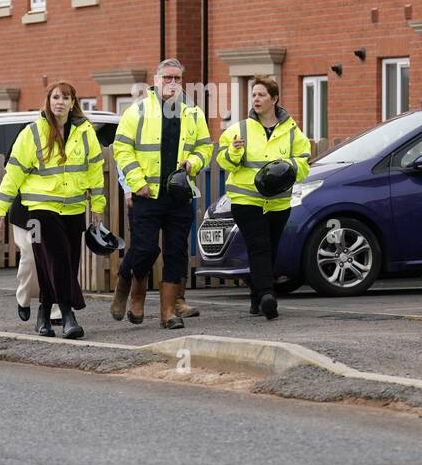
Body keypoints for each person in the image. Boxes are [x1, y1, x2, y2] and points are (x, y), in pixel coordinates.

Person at [0, 82, 106, 339]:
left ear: (72, 102)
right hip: (41, 209)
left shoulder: (85, 132)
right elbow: (14, 172)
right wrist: (1, 208)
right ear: (48, 100)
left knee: (64, 262)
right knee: (57, 258)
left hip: (74, 207)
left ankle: (44, 312)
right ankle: (68, 315)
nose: (60, 102)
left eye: (65, 98)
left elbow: (95, 171)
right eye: (56, 97)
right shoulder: (32, 133)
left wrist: (97, 206)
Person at [110, 58, 213, 328]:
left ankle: (168, 312)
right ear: (156, 81)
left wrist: (193, 163)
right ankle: (132, 290)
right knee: (144, 249)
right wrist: (136, 181)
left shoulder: (193, 113)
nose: (173, 83)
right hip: (147, 194)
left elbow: (205, 147)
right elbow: (121, 149)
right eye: (167, 78)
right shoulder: (138, 111)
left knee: (176, 252)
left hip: (179, 195)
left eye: (177, 79)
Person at [216, 75, 310, 320]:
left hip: (278, 201)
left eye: (261, 95)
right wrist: (233, 152)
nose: (256, 99)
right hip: (246, 200)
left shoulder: (291, 130)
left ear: (274, 99)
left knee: (271, 249)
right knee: (259, 246)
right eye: (254, 95)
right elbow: (223, 161)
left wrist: (287, 166)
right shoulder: (240, 129)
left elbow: (304, 162)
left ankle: (256, 295)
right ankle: (268, 295)